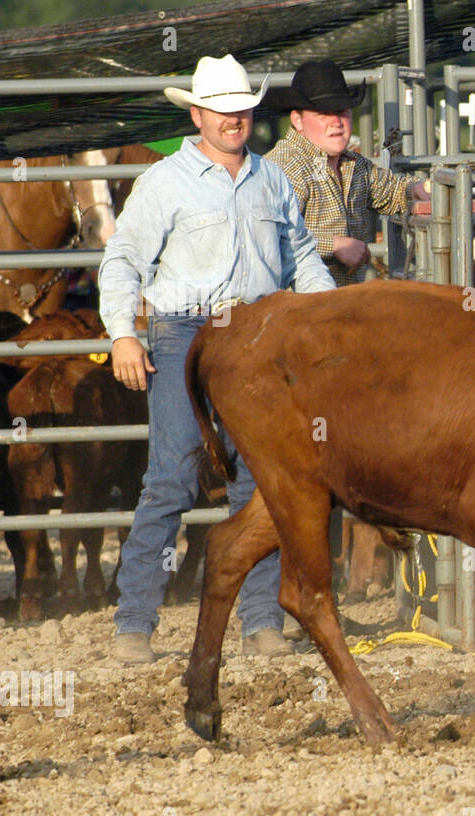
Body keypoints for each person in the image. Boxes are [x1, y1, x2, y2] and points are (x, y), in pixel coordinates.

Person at [99, 54, 336, 664]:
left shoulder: (270, 180)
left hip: (258, 338)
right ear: (199, 114)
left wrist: (333, 320)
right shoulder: (164, 182)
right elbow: (123, 259)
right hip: (184, 334)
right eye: (223, 110)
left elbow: (300, 257)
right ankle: (134, 621)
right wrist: (123, 333)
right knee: (172, 475)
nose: (234, 119)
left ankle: (261, 620)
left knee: (264, 481)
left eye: (242, 109)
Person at [263, 59, 428, 287]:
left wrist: (416, 189)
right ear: (297, 120)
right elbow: (271, 235)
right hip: (297, 307)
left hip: (338, 303)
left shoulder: (353, 164)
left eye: (341, 111)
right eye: (323, 114)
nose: (336, 122)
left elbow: (389, 189)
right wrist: (334, 246)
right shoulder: (286, 166)